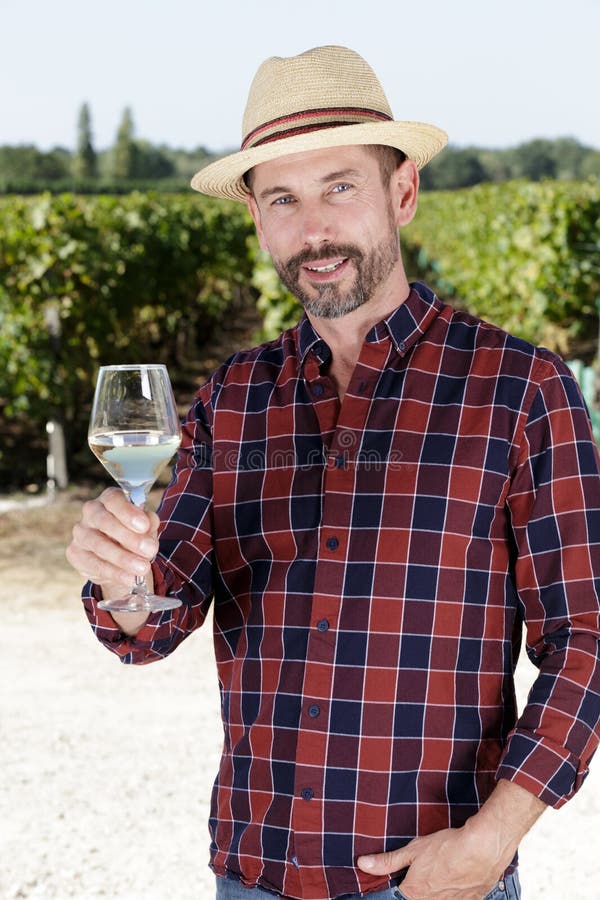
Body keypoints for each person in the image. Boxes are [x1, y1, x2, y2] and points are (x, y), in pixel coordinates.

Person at [66, 46, 600, 900]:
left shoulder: (519, 389)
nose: (312, 228)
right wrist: (120, 583)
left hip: (433, 882)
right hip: (254, 875)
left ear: (403, 193)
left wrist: (493, 840)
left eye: (338, 188)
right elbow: (160, 617)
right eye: (282, 198)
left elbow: (586, 638)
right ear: (258, 219)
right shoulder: (234, 397)